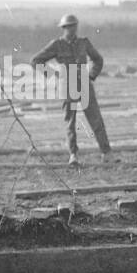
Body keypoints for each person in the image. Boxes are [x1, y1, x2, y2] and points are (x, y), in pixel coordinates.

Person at [30, 13, 114, 166]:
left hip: (84, 85)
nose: (71, 29)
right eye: (68, 27)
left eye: (74, 26)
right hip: (68, 86)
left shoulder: (84, 43)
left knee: (96, 120)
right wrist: (53, 75)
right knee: (71, 123)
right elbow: (36, 61)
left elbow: (98, 59)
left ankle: (106, 153)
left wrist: (91, 75)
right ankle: (73, 155)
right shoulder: (57, 45)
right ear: (63, 28)